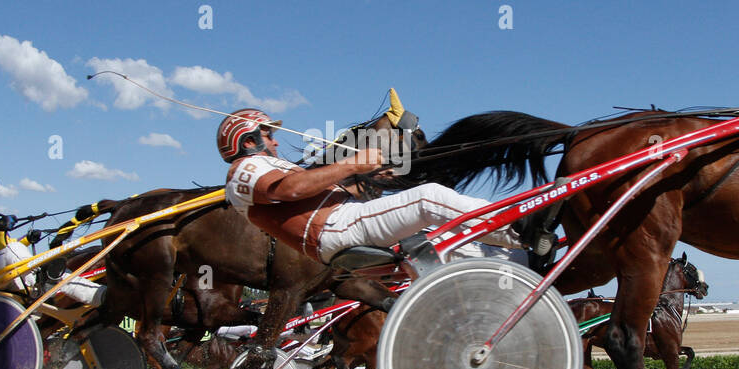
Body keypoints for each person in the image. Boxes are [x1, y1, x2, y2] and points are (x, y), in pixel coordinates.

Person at [218, 109, 541, 266]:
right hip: (335, 228)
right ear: (248, 141)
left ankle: (520, 260)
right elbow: (288, 190)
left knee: (447, 242)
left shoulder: (265, 167)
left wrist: (373, 178)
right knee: (429, 198)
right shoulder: (245, 168)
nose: (275, 141)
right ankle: (520, 231)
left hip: (341, 224)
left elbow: (309, 192)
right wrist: (355, 163)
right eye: (267, 135)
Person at [0, 166, 103, 307]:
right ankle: (42, 283)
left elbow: (6, 246)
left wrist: (29, 239)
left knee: (50, 265)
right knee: (19, 253)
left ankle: (100, 295)